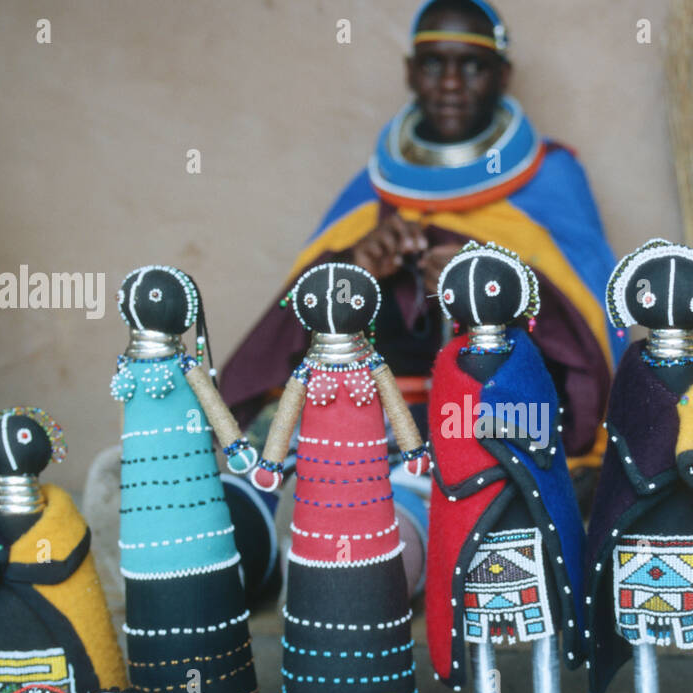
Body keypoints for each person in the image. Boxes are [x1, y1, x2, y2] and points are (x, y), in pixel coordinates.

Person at [220, 0, 623, 482]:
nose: (451, 83)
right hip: (373, 439)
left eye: (472, 65)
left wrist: (490, 282)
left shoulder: (554, 181)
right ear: (410, 73)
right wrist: (352, 271)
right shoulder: (369, 193)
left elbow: (592, 329)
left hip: (505, 432)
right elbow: (286, 332)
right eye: (434, 64)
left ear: (503, 74)